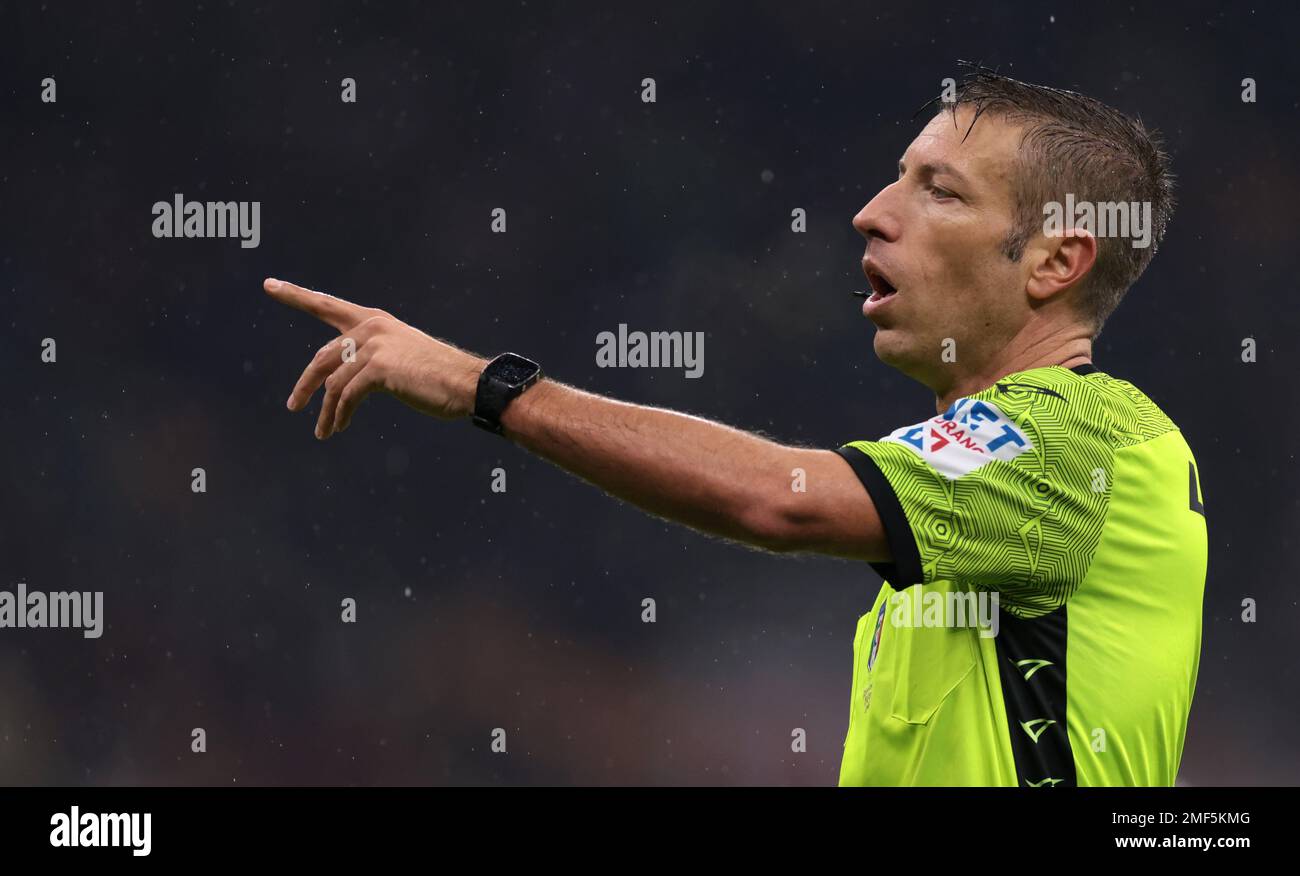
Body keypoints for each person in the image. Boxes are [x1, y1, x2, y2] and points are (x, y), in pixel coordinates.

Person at [264, 66, 1206, 787]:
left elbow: (776, 500)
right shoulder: (963, 513)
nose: (871, 214)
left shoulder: (1079, 438)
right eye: (896, 179)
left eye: (940, 192)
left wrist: (486, 383)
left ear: (1054, 263)